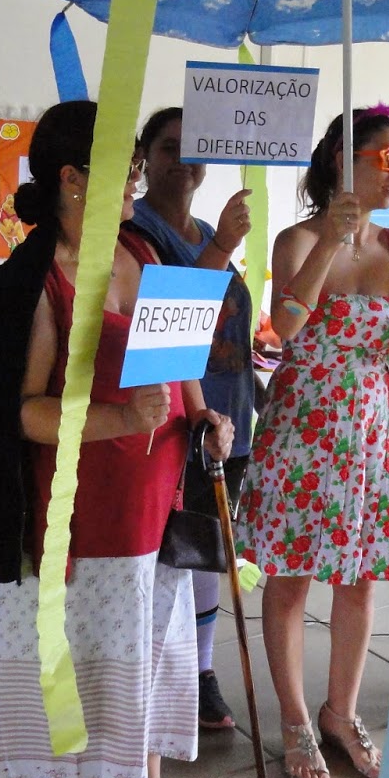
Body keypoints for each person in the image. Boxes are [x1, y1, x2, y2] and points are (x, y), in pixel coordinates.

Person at [0, 100, 235, 778]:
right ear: (74, 178)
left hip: (153, 501)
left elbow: (177, 360)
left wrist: (203, 413)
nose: (141, 178)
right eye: (127, 165)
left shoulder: (143, 252)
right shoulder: (31, 281)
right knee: (71, 661)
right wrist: (116, 416)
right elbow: (22, 411)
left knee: (141, 646)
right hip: (71, 511)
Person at [236, 107, 389, 778]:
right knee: (293, 578)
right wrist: (330, 242)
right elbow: (290, 329)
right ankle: (296, 720)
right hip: (304, 426)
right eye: (386, 160)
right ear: (345, 161)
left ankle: (342, 710)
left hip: (373, 428)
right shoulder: (296, 240)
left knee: (360, 577)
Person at [128, 106, 255, 732]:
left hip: (226, 407)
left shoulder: (206, 226)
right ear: (144, 157)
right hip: (171, 412)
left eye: (193, 146)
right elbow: (168, 314)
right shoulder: (139, 231)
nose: (182, 159)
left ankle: (199, 671)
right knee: (166, 551)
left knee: (206, 548)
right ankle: (158, 670)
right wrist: (223, 248)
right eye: (168, 146)